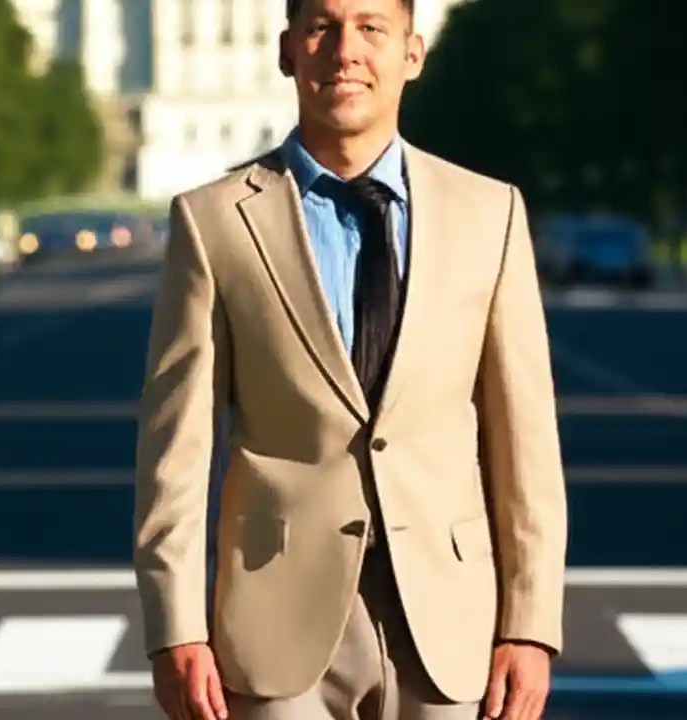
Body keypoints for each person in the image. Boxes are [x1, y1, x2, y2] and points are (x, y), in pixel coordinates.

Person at [133, 0, 568, 718]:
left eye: (372, 28)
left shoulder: (490, 214)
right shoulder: (213, 223)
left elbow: (525, 441)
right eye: (322, 28)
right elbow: (174, 449)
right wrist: (175, 626)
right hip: (276, 624)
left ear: (413, 54)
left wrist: (530, 623)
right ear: (287, 51)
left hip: (449, 623)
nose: (345, 51)